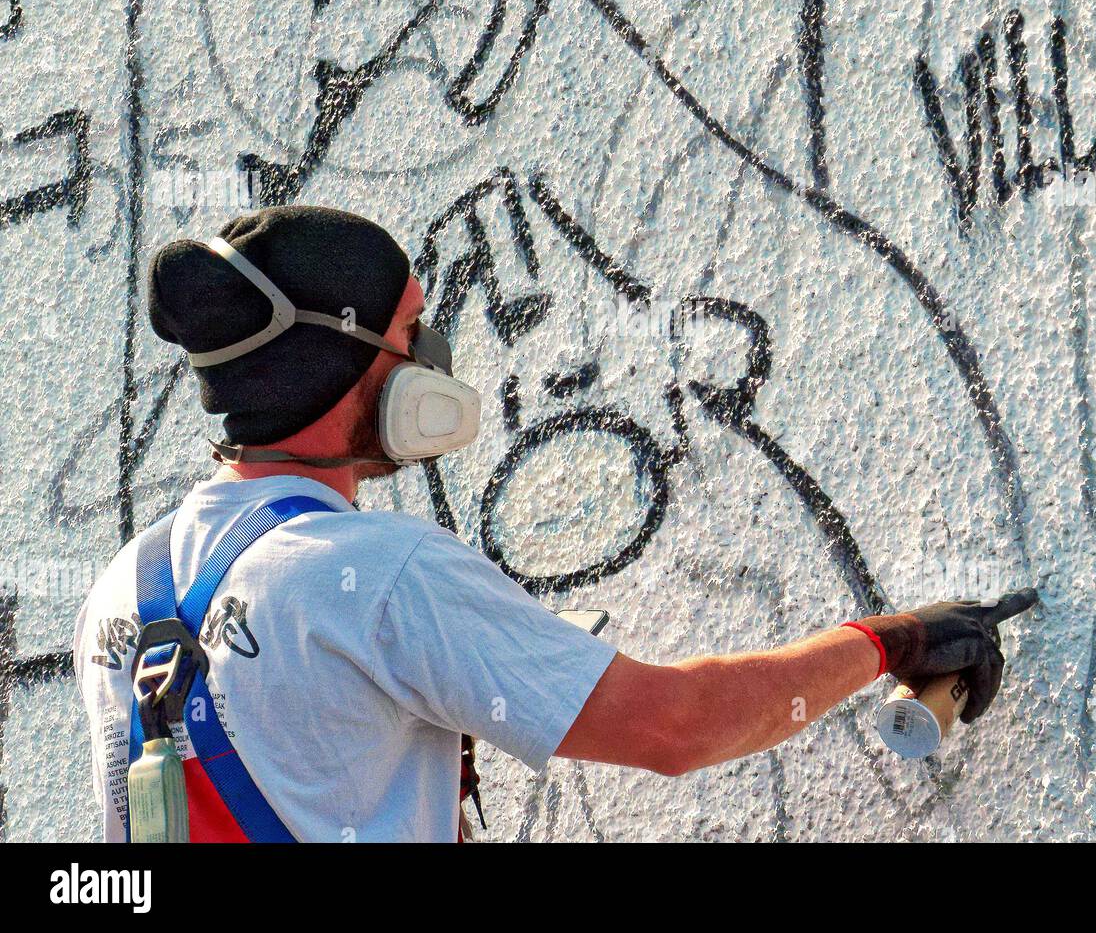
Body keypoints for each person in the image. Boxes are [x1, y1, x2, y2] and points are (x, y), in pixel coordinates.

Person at [74, 204, 1036, 843]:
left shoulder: (121, 592)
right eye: (413, 330)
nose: (433, 354)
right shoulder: (375, 573)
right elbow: (677, 727)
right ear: (352, 356)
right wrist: (886, 640)